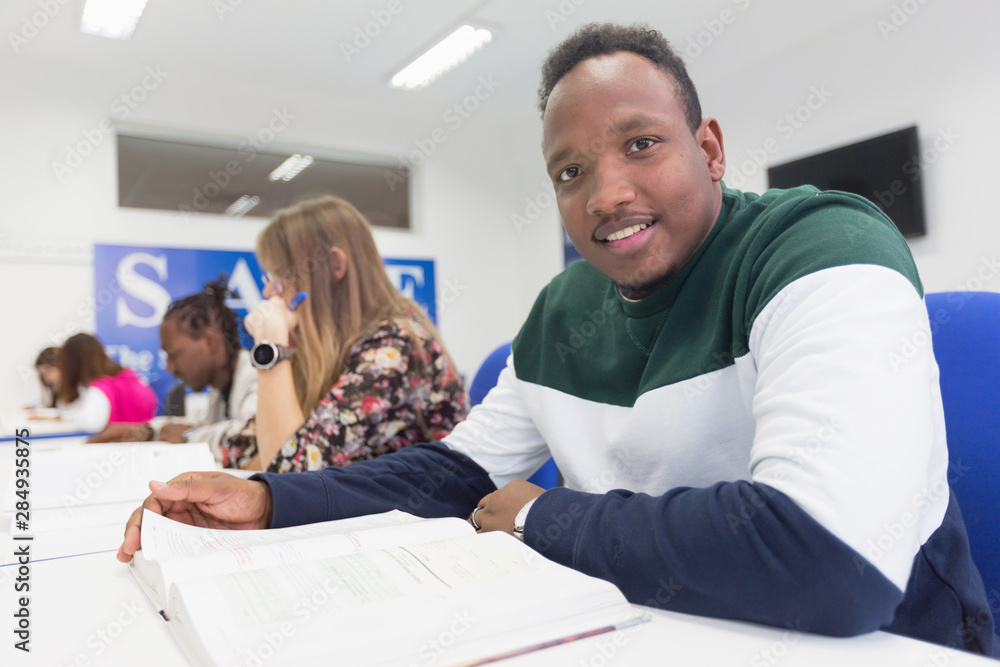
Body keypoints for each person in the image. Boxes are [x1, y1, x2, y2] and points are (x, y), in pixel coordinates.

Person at [117, 24, 998, 657]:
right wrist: (267, 498)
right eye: (570, 172)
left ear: (712, 147)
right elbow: (451, 473)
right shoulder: (566, 305)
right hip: (660, 624)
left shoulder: (821, 246)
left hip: (883, 639)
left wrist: (542, 515)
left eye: (642, 144)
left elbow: (828, 560)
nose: (605, 192)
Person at [218, 194, 467, 472]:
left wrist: (271, 346)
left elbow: (287, 474)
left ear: (335, 265)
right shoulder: (331, 350)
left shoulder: (397, 348)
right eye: (268, 279)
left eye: (280, 278)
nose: (268, 293)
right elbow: (238, 447)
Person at [87, 279, 258, 459]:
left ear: (210, 341)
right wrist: (148, 431)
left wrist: (187, 438)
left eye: (173, 355)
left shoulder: (256, 375)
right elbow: (209, 427)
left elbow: (249, 438)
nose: (169, 367)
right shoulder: (222, 388)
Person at [58, 333, 157, 432]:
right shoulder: (134, 379)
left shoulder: (99, 391)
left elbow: (90, 423)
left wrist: (68, 417)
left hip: (114, 445)